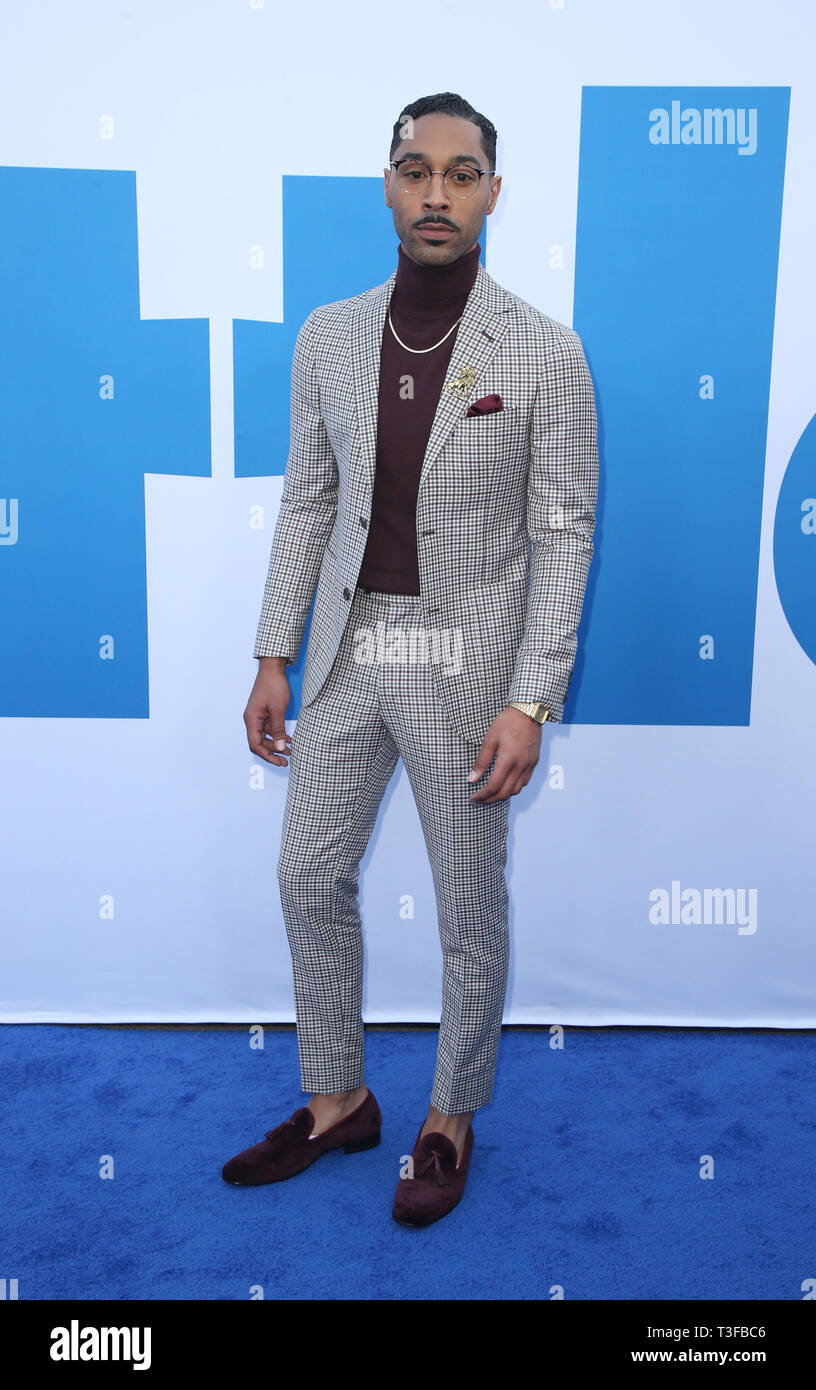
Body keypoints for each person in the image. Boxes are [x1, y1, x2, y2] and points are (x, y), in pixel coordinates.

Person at [222, 91, 599, 1227]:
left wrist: (531, 697)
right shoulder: (329, 334)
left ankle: (449, 1116)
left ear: (493, 190)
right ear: (388, 184)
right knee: (306, 875)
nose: (438, 191)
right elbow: (309, 500)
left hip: (470, 665)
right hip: (345, 650)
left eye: (462, 172)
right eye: (416, 169)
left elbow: (562, 532)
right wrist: (272, 650)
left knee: (466, 902)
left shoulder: (542, 349)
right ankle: (339, 1097)